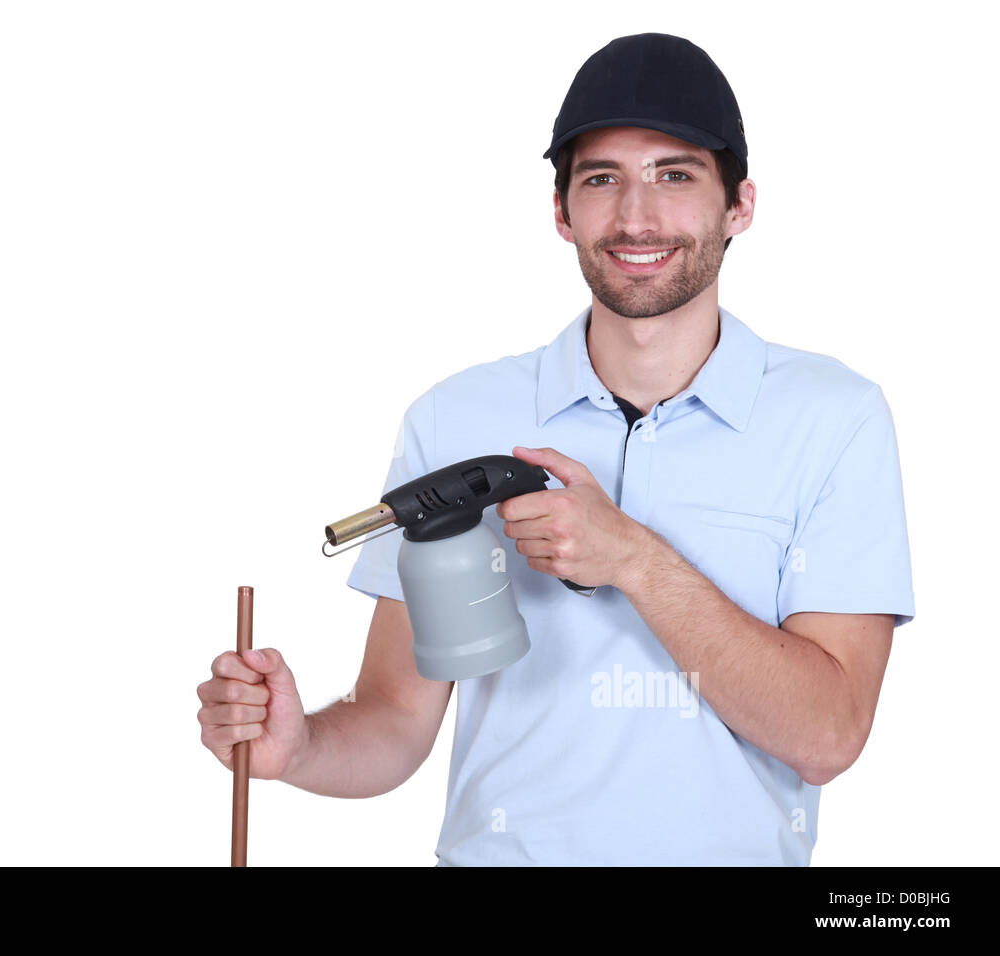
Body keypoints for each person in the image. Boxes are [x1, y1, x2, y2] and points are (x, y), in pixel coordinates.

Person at [196, 32, 915, 865]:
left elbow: (828, 735)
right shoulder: (456, 416)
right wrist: (299, 749)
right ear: (562, 211)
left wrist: (635, 558)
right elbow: (396, 716)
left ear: (740, 205)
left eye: (675, 175)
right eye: (601, 178)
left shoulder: (836, 420)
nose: (636, 217)